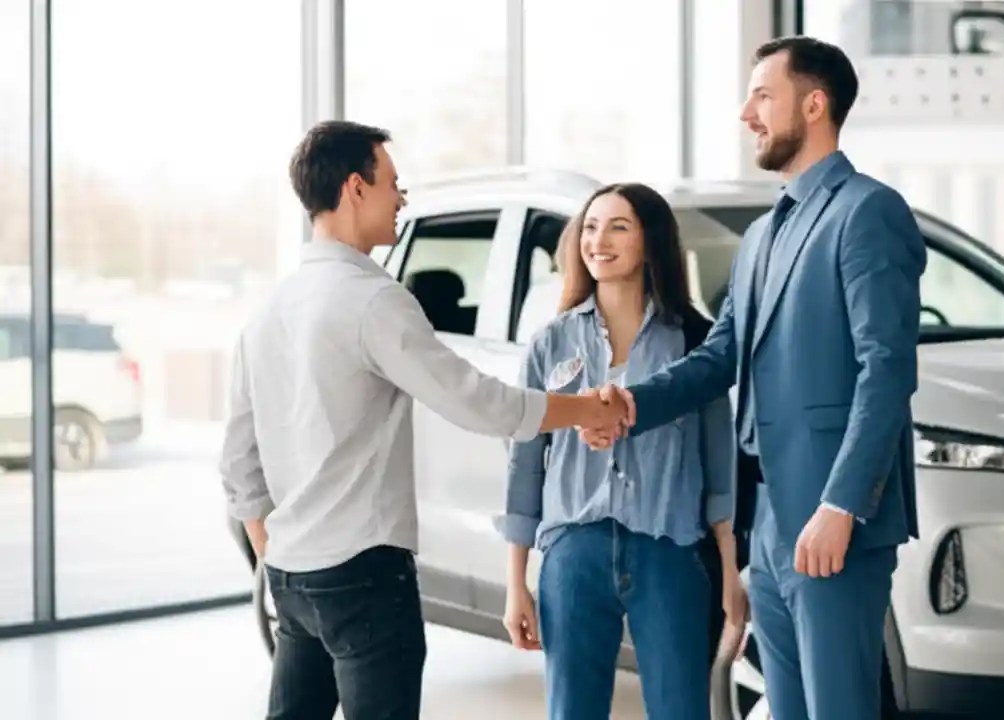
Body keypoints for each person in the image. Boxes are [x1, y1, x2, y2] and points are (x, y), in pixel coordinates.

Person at [218, 120, 628, 720]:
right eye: (392, 183)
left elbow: (236, 460)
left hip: (293, 574)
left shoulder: (269, 309)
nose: (401, 198)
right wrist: (585, 408)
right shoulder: (374, 301)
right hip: (363, 575)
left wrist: (277, 550)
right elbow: (478, 402)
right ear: (356, 188)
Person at [586, 37, 926, 720]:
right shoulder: (766, 235)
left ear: (815, 103)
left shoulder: (867, 212)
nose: (747, 113)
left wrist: (843, 506)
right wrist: (629, 404)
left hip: (833, 518)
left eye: (762, 95)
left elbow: (886, 370)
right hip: (769, 521)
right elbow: (718, 357)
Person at [499, 183, 748, 720]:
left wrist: (729, 570)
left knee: (683, 710)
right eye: (590, 226)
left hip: (670, 553)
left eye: (618, 226)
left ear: (650, 240)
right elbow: (525, 467)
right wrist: (516, 583)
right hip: (573, 554)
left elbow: (718, 463)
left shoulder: (694, 342)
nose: (598, 240)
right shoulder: (551, 343)